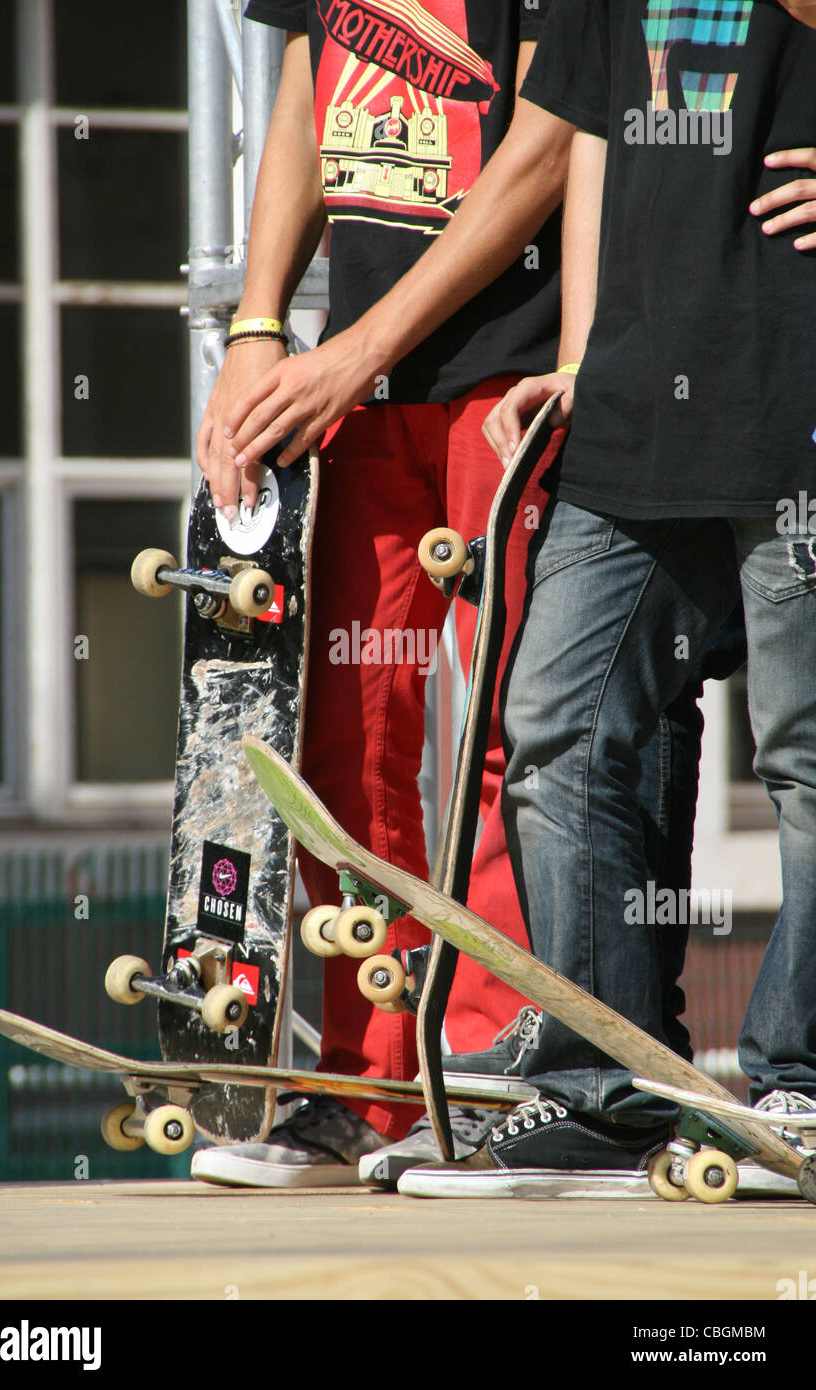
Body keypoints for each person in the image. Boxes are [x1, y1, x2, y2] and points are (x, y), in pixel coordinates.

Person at [395, 0, 816, 1197]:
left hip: (792, 394)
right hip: (631, 406)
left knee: (799, 752)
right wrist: (580, 354)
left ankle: (797, 1080)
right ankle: (606, 1084)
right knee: (558, 729)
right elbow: (585, 140)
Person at [192, 0, 572, 1190]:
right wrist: (261, 321)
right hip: (352, 386)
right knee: (345, 736)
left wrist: (352, 346)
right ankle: (370, 1079)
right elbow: (309, 89)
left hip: (510, 371)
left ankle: (488, 1071)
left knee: (519, 730)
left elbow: (547, 144)